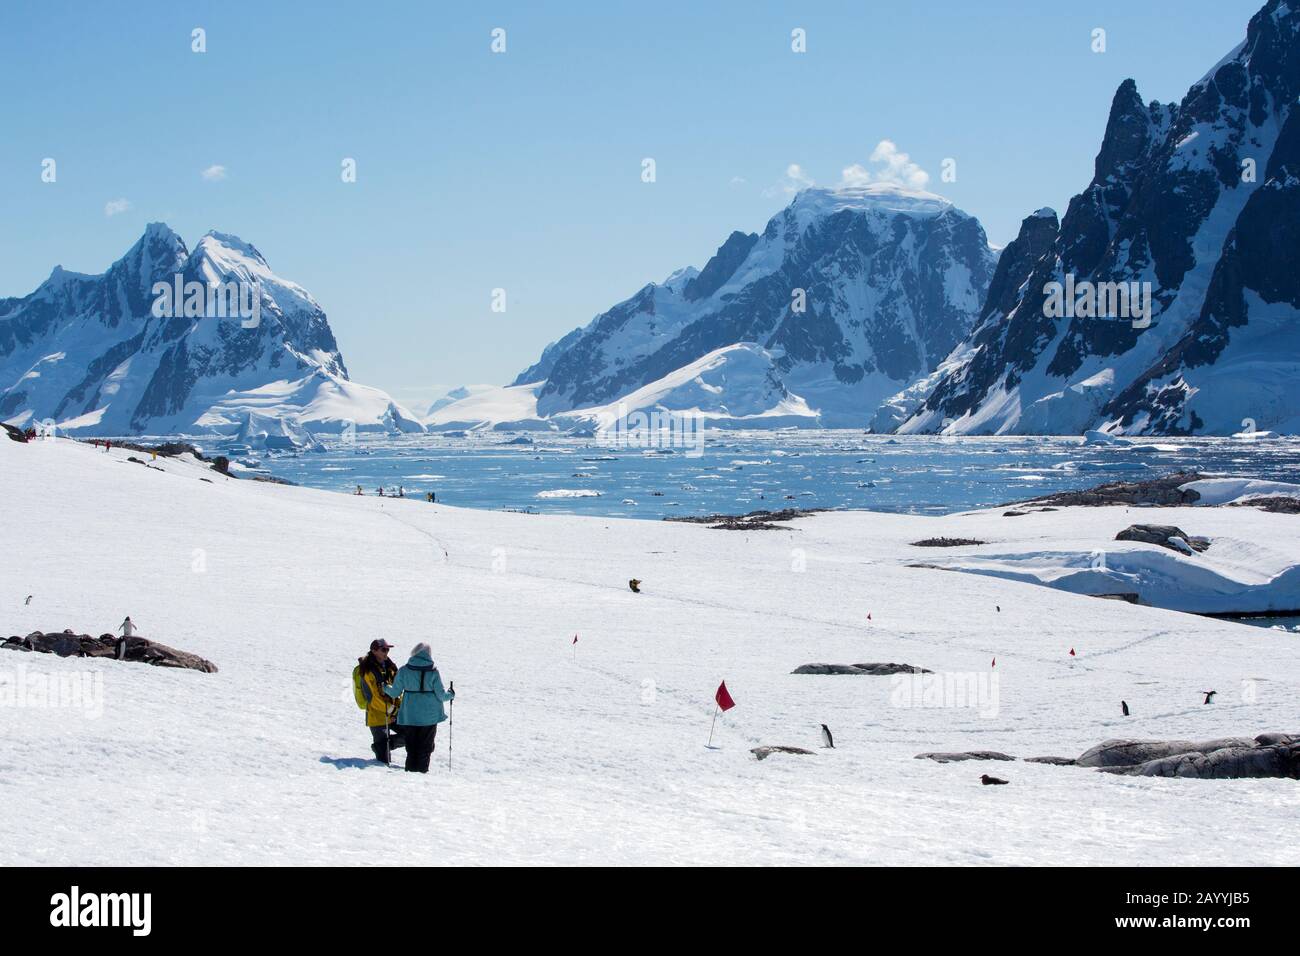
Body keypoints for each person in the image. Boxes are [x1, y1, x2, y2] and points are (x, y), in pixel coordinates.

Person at [383, 642, 454, 773]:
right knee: (425, 747)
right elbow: (441, 696)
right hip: (430, 717)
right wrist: (451, 694)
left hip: (410, 715)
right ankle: (422, 772)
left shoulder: (404, 670)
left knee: (411, 747)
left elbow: (394, 693)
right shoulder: (433, 671)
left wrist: (384, 687)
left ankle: (410, 772)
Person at [352, 639, 404, 763]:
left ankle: (382, 746)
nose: (387, 652)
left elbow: (397, 691)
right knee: (383, 761)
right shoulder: (367, 671)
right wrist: (393, 710)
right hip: (377, 717)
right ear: (374, 651)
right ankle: (382, 748)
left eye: (388, 649)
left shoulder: (391, 668)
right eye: (383, 649)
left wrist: (397, 710)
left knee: (411, 735)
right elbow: (373, 699)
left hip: (392, 714)